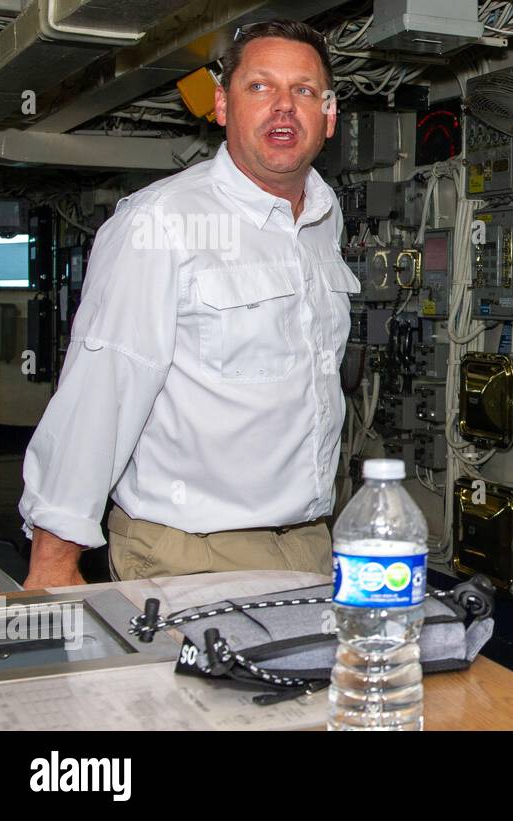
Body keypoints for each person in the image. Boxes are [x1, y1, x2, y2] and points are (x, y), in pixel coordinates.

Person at [19, 20, 357, 586]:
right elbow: (103, 388)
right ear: (222, 106)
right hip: (186, 553)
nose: (282, 107)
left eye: (303, 90)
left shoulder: (324, 218)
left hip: (308, 543)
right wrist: (55, 558)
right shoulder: (160, 222)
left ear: (328, 114)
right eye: (259, 87)